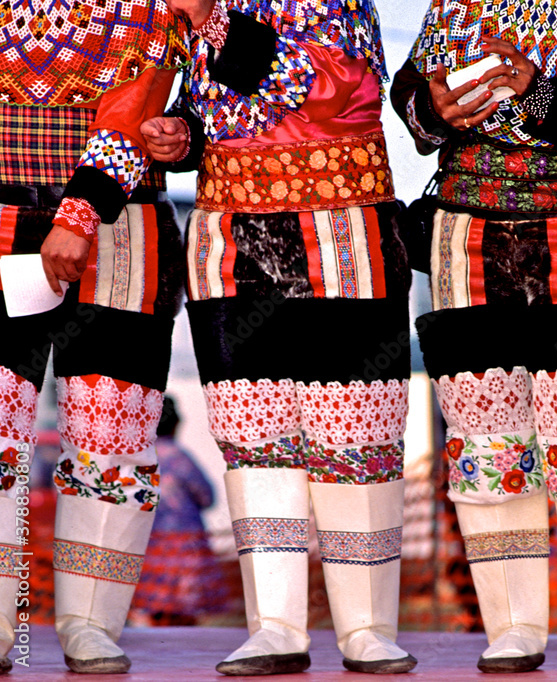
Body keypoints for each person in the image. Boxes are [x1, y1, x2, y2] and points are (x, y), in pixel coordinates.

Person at [141, 0, 415, 674]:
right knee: (254, 440)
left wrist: (209, 23)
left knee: (355, 436)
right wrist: (180, 136)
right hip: (230, 237)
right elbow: (214, 107)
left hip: (344, 227)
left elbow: (336, 86)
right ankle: (275, 626)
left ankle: (367, 628)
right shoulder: (209, 11)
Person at [392, 0, 557, 672]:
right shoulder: (455, 7)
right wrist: (433, 111)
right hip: (462, 235)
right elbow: (414, 105)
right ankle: (511, 627)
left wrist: (538, 92)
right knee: (485, 440)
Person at [0, 0, 187, 673]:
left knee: (111, 434)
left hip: (122, 229)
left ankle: (91, 620)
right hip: (3, 212)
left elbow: (154, 93)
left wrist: (79, 213)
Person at [130, 396, 229, 625]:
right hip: (185, 544)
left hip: (148, 542)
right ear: (175, 425)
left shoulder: (135, 459)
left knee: (153, 607)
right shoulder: (179, 457)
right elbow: (207, 497)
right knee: (185, 612)